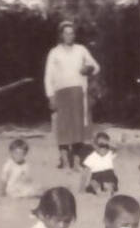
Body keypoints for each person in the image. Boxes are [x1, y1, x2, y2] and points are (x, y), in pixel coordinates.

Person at [43, 20, 101, 170]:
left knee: (77, 128)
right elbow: (48, 76)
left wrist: (87, 69)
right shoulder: (54, 52)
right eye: (66, 33)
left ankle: (75, 162)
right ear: (61, 35)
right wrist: (50, 96)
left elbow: (96, 67)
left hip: (78, 92)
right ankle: (65, 161)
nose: (69, 36)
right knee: (63, 128)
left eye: (72, 33)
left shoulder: (81, 50)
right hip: (61, 93)